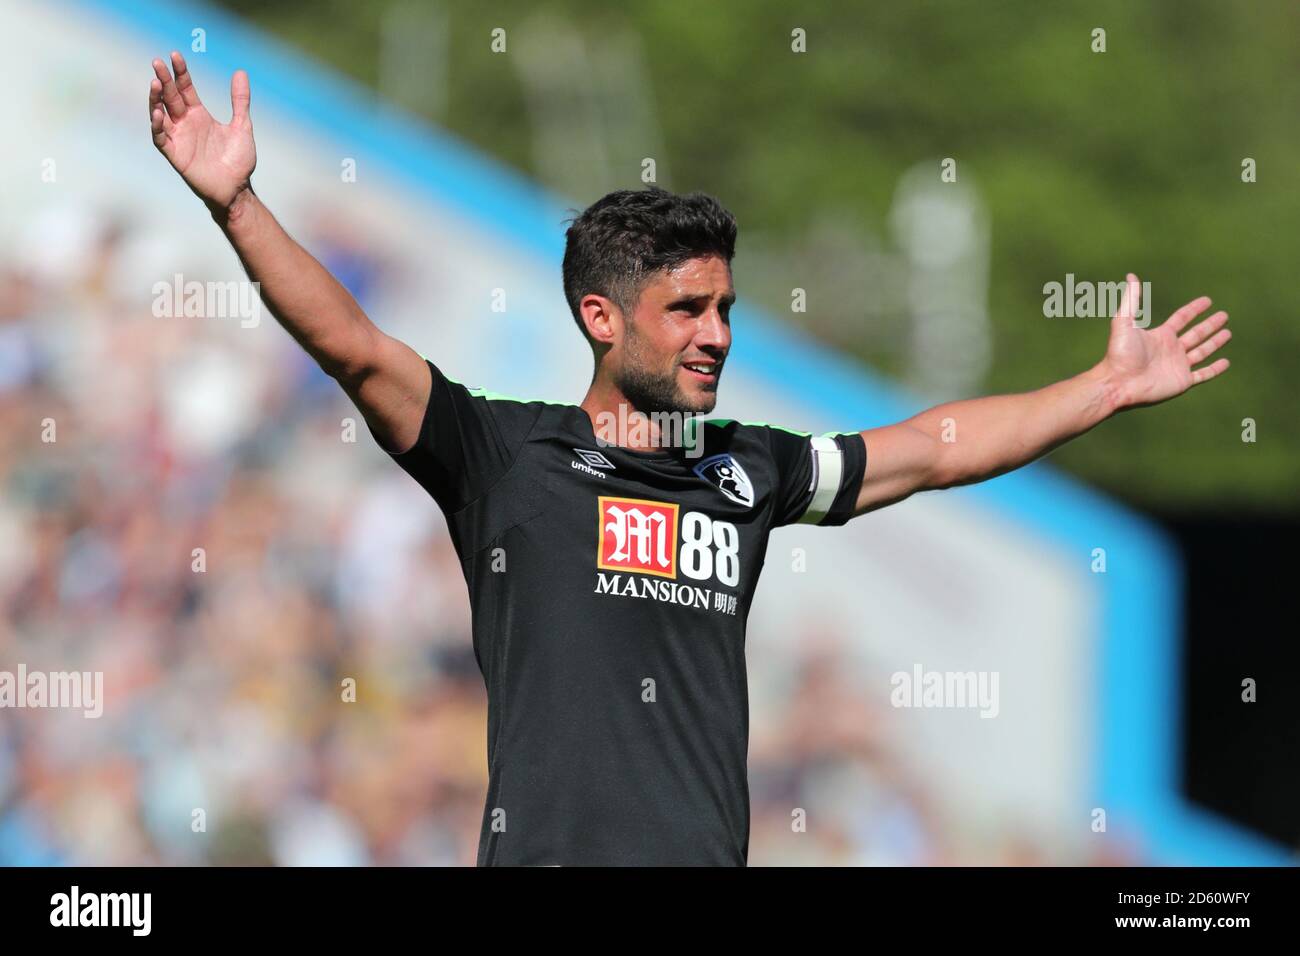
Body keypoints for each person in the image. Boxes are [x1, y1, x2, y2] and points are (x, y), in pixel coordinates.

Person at [148, 52, 1232, 865]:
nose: (716, 331)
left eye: (724, 306)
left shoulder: (747, 470)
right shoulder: (503, 452)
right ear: (600, 318)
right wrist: (236, 202)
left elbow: (933, 450)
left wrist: (1103, 387)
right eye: (685, 308)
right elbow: (351, 343)